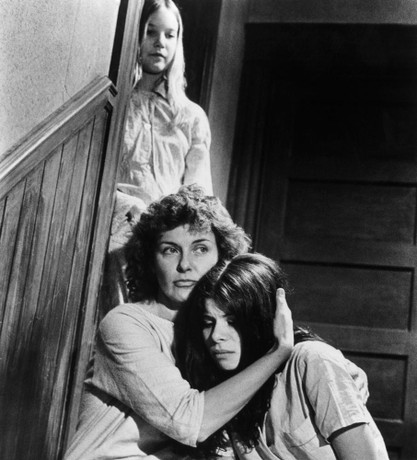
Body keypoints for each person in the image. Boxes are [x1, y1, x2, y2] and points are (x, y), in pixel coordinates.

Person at [64, 186, 294, 460]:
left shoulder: (216, 333)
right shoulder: (125, 324)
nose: (185, 264)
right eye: (170, 250)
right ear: (151, 261)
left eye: (200, 249)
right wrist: (278, 351)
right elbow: (188, 421)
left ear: (222, 258)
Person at [175, 252, 389, 460]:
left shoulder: (311, 361)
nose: (216, 336)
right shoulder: (226, 390)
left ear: (259, 319)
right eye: (208, 323)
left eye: (232, 321)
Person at [105, 0, 213, 308]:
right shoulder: (116, 105)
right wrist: (128, 206)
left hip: (169, 241)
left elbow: (199, 196)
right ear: (137, 35)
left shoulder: (191, 117)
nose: (160, 43)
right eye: (151, 32)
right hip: (117, 231)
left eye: (169, 34)